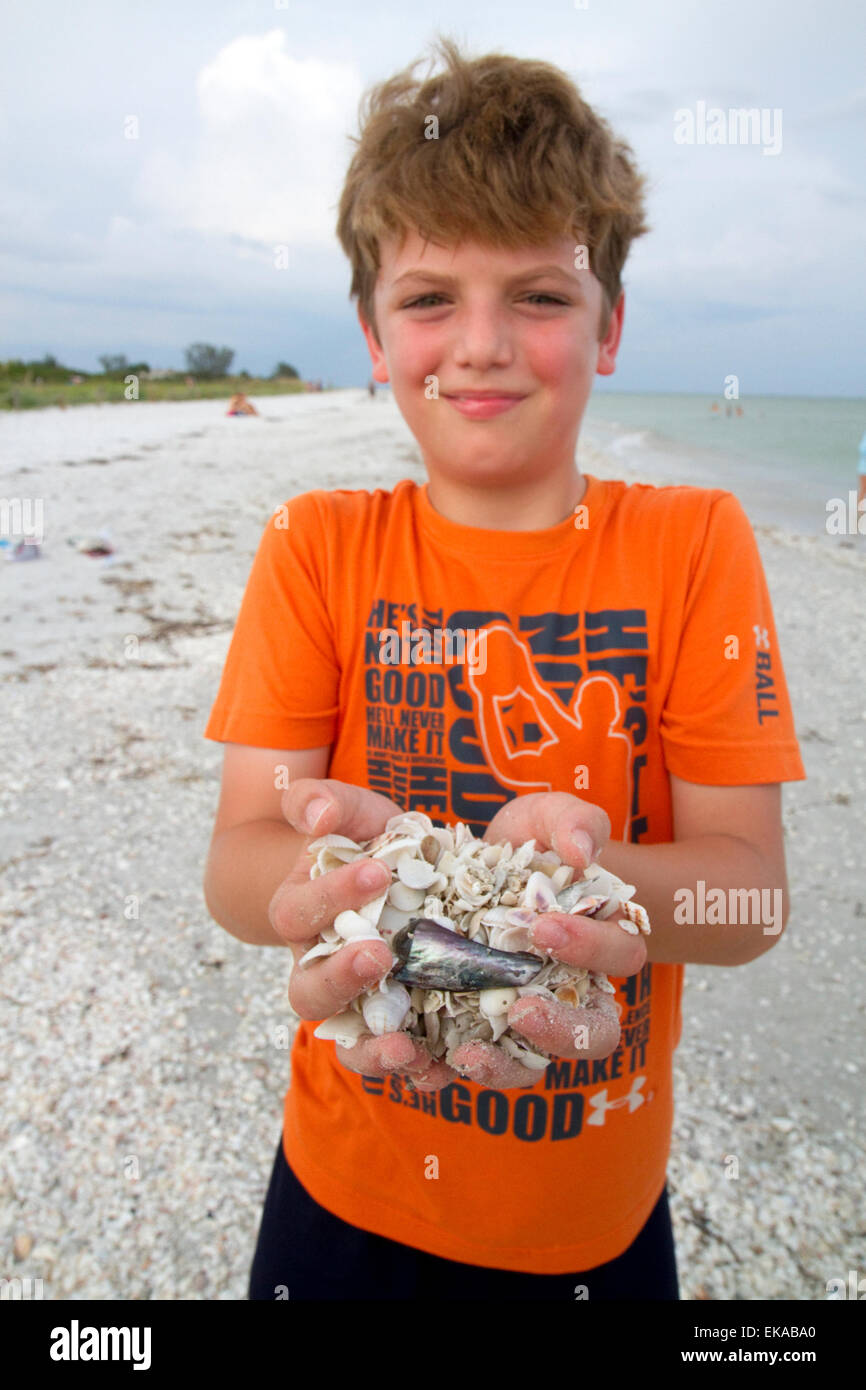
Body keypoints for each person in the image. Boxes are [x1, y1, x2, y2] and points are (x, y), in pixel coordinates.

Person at [202, 36, 806, 1301]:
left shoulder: (695, 545)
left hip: (586, 1217)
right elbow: (238, 865)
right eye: (428, 299)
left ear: (608, 326)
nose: (478, 343)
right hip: (344, 1179)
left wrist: (581, 893)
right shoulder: (314, 547)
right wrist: (338, 887)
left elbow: (747, 901)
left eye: (537, 294)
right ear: (373, 332)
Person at [858, 429, 866, 513]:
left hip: (862, 468)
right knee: (863, 490)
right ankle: (859, 513)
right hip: (863, 469)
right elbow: (862, 449)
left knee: (863, 490)